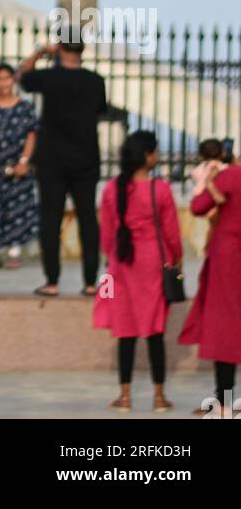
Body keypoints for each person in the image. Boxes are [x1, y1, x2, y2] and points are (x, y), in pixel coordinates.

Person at [93, 130, 181, 413]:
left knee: (126, 331)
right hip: (154, 263)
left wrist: (110, 260)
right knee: (155, 331)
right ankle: (158, 397)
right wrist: (175, 259)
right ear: (147, 156)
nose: (156, 156)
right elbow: (171, 233)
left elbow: (106, 235)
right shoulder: (161, 189)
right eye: (154, 151)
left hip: (122, 263)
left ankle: (125, 396)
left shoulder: (112, 189)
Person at [18, 39, 107, 296]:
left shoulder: (49, 77)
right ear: (82, 50)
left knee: (50, 219)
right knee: (88, 219)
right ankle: (90, 282)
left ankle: (52, 281)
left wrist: (39, 51)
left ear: (60, 49)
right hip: (86, 158)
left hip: (52, 160)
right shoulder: (95, 81)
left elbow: (22, 76)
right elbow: (100, 110)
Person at [179, 151, 241, 417]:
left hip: (228, 258)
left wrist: (204, 181)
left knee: (226, 327)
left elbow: (198, 207)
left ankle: (225, 402)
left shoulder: (230, 177)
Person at [0, 62, 39, 269]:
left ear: (14, 80)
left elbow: (32, 134)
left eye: (7, 78)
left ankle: (14, 252)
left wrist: (24, 161)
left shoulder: (25, 106)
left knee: (17, 208)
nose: (4, 83)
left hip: (18, 166)